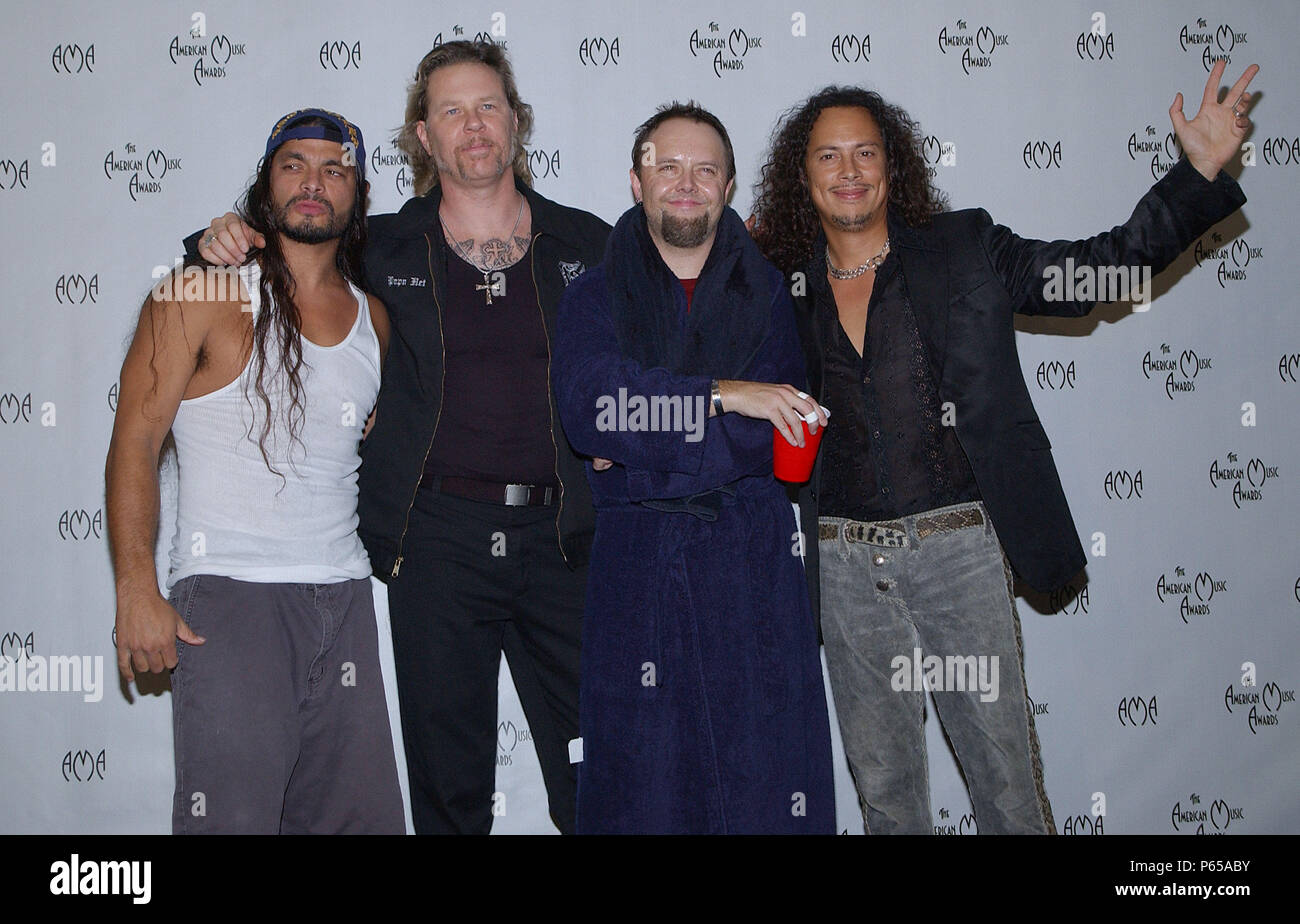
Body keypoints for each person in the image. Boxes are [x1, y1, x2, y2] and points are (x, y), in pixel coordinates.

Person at [749, 61, 1257, 834]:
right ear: (803, 174)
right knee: (886, 797)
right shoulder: (780, 285)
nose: (847, 170)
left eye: (864, 152)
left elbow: (1099, 271)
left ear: (893, 165)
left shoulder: (965, 247)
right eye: (827, 155)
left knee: (1006, 786)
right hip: (846, 568)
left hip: (959, 555)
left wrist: (1194, 174)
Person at [193, 42, 609, 834]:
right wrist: (210, 240)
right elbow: (283, 243)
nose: (472, 126)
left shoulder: (586, 244)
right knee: (449, 795)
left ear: (516, 121)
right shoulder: (376, 247)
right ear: (424, 136)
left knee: (600, 779)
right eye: (450, 110)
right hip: (438, 546)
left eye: (487, 105)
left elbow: (654, 338)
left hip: (565, 544)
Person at [107, 108, 404, 833]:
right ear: (265, 185)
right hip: (230, 600)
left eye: (335, 169)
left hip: (344, 600)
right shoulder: (199, 294)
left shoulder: (376, 320)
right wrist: (136, 588)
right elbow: (136, 440)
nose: (314, 182)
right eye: (293, 164)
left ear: (358, 196)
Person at [552, 103, 835, 834]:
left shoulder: (773, 292)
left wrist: (639, 460)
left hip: (752, 567)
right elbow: (594, 413)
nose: (686, 182)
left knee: (764, 787)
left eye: (704, 169)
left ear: (729, 185)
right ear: (637, 181)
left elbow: (777, 438)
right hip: (636, 571)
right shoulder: (591, 293)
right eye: (666, 166)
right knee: (643, 790)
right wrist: (725, 395)